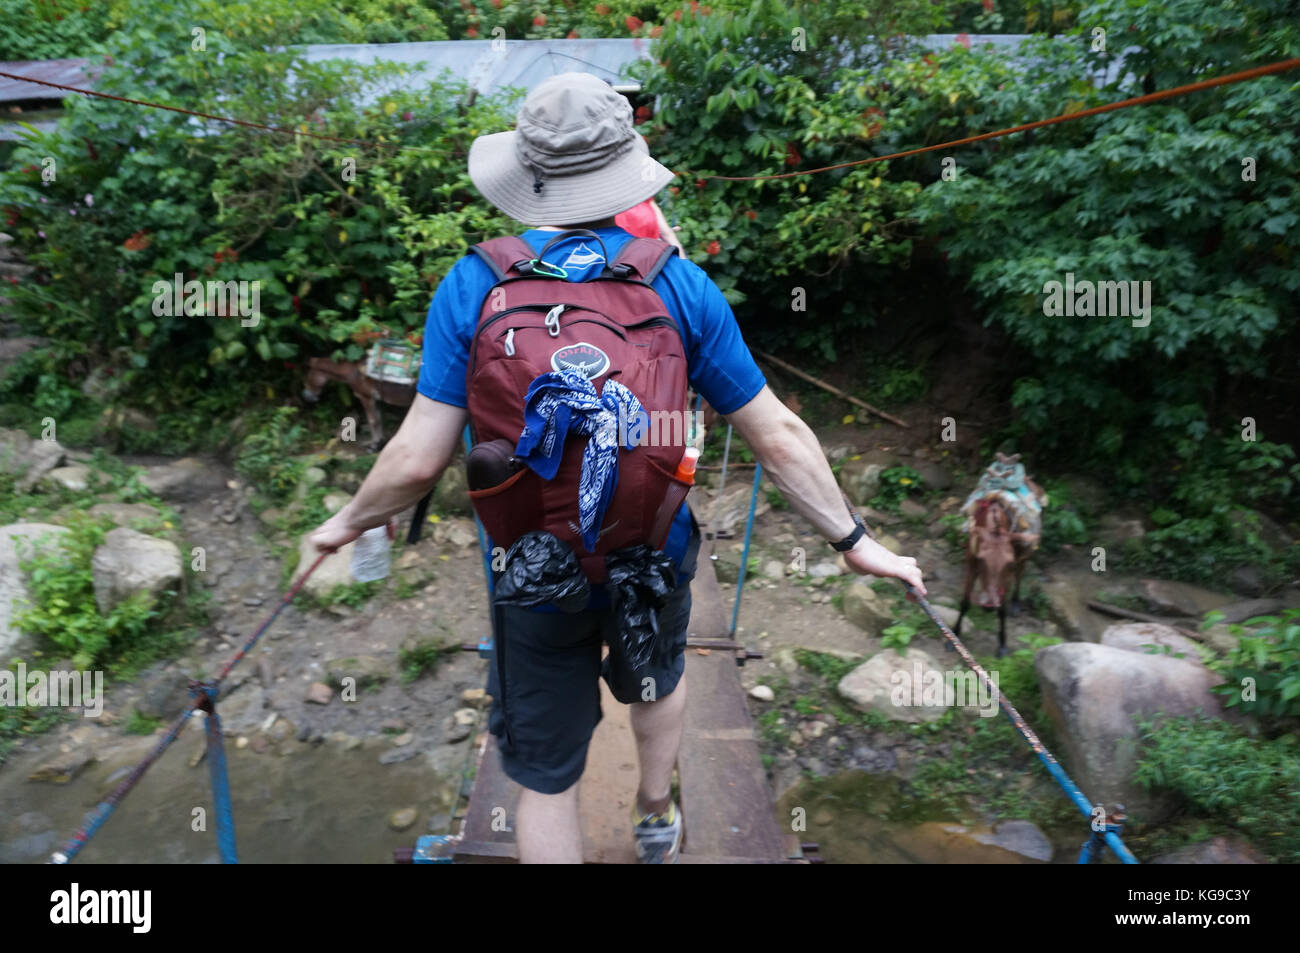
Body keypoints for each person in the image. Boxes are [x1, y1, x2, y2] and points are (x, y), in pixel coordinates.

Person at [308, 71, 925, 864]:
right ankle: (654, 814)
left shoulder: (474, 283)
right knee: (658, 680)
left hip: (532, 565)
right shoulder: (676, 281)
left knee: (546, 777)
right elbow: (776, 432)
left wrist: (342, 524)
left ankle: (592, 790)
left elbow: (416, 459)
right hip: (650, 552)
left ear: (526, 176)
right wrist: (854, 540)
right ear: (626, 168)